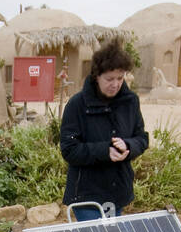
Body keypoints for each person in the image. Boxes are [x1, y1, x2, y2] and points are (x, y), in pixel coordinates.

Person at [59, 37, 149, 220]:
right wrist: (105, 151)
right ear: (96, 75)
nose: (115, 84)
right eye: (109, 79)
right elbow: (69, 150)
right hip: (87, 195)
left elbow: (142, 138)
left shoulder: (130, 102)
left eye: (120, 78)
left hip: (118, 192)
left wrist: (129, 146)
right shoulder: (77, 105)